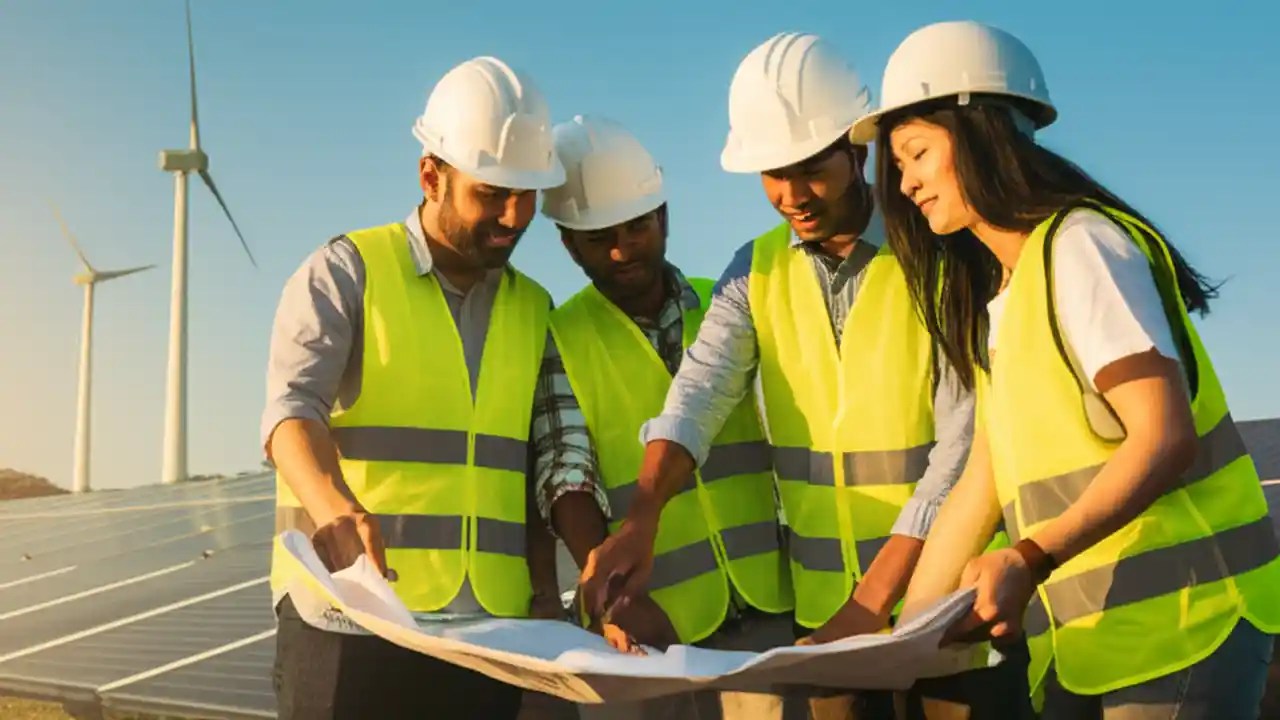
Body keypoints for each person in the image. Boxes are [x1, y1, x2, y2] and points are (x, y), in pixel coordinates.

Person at [578, 32, 1028, 719]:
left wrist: (871, 604)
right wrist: (642, 517)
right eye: (771, 174)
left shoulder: (941, 253)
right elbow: (696, 395)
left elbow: (963, 450)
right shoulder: (751, 272)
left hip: (947, 604)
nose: (792, 195)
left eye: (810, 167)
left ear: (857, 151)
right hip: (826, 622)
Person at [852, 19, 1280, 720]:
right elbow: (983, 478)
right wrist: (904, 642)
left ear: (982, 133)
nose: (906, 184)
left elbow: (1163, 436)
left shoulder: (1083, 249)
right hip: (1094, 640)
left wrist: (1027, 557)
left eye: (917, 154)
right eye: (898, 165)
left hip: (1187, 624)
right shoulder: (1007, 298)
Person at [262, 55, 574, 719]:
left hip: (487, 635)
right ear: (431, 175)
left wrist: (545, 592)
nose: (516, 216)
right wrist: (335, 509)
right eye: (492, 193)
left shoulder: (536, 307)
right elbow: (290, 415)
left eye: (528, 194)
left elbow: (535, 464)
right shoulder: (346, 272)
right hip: (351, 617)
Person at [538, 114, 797, 720]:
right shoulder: (560, 337)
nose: (623, 250)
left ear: (664, 216)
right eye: (599, 237)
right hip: (655, 629)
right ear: (569, 244)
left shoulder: (729, 302)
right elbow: (565, 470)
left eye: (637, 227)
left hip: (772, 606)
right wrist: (609, 592)